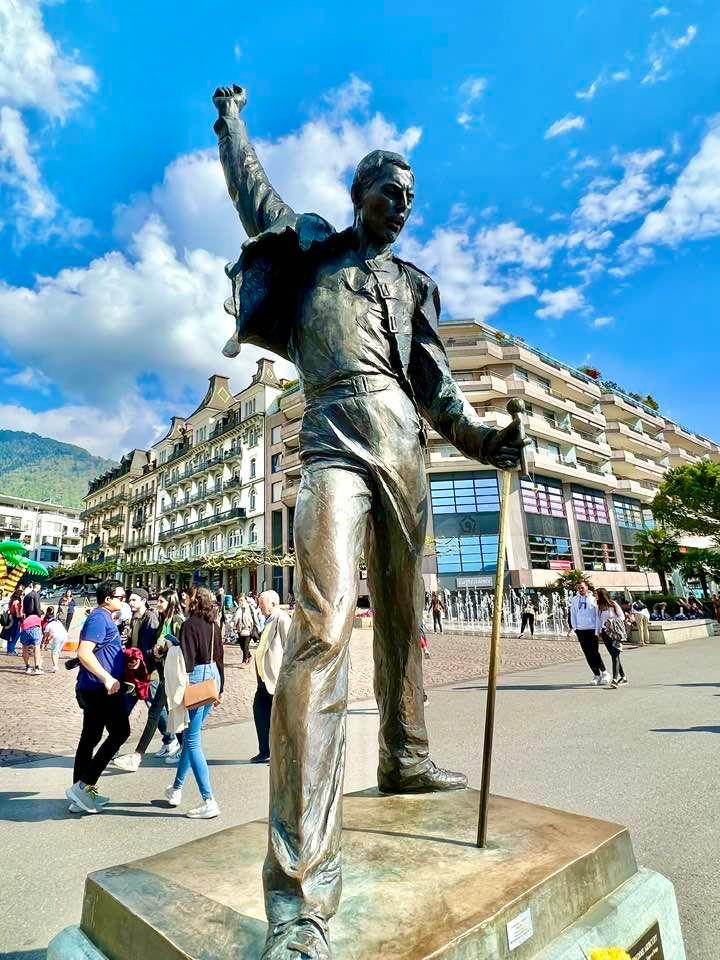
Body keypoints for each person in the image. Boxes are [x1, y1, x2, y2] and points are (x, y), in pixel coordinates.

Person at [213, 82, 528, 958]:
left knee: (405, 618)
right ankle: (302, 900)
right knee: (320, 634)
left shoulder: (416, 285)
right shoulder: (313, 250)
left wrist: (484, 440)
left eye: (414, 201)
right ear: (361, 193)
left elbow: (436, 386)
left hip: (405, 448)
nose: (405, 208)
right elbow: (253, 195)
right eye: (394, 194)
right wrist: (231, 124)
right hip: (330, 440)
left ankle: (405, 754)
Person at [65, 581, 131, 814]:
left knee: (91, 737)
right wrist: (107, 678)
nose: (123, 600)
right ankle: (82, 787)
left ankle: (80, 793)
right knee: (120, 732)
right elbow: (84, 652)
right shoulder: (99, 618)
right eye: (121, 597)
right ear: (108, 599)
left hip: (97, 688)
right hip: (99, 689)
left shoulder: (104, 618)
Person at [164, 587, 224, 819]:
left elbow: (187, 662)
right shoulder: (213, 624)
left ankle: (208, 799)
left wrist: (172, 648)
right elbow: (219, 657)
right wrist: (221, 689)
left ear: (195, 601)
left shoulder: (189, 625)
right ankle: (176, 788)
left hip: (197, 677)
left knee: (192, 740)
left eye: (188, 598)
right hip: (213, 678)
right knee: (192, 736)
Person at [112, 588, 165, 772]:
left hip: (148, 672)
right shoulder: (134, 619)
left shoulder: (151, 619)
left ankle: (172, 739)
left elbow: (151, 648)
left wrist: (140, 659)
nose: (130, 603)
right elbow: (133, 644)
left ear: (143, 601)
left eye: (134, 600)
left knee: (155, 708)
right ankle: (114, 744)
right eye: (130, 600)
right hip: (135, 671)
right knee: (126, 707)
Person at [250, 591, 290, 764]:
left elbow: (290, 646)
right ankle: (264, 750)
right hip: (264, 678)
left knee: (280, 718)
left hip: (276, 678)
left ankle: (282, 753)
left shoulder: (282, 619)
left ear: (273, 603)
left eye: (262, 603)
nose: (259, 607)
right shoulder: (268, 620)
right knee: (260, 711)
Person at [568, 581, 609, 686]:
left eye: (582, 587)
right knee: (587, 653)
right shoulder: (574, 600)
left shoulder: (594, 599)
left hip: (592, 629)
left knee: (594, 652)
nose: (580, 590)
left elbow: (597, 616)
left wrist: (597, 630)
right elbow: (573, 614)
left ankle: (604, 672)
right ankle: (596, 674)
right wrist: (575, 628)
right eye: (578, 588)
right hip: (580, 630)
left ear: (586, 587)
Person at [595, 589, 628, 688]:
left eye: (596, 594)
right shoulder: (599, 607)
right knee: (614, 655)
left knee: (615, 655)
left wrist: (611, 621)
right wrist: (598, 632)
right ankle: (623, 677)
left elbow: (622, 617)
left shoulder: (613, 604)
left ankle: (614, 679)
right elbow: (598, 620)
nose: (595, 596)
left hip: (615, 633)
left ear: (601, 595)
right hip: (605, 634)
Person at [42, 607, 68, 672]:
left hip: (57, 637)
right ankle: (56, 664)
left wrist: (44, 643)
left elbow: (46, 636)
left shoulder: (48, 626)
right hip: (65, 636)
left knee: (54, 652)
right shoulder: (58, 622)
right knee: (57, 651)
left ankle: (55, 666)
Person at [234, 592, 255, 666]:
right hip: (240, 630)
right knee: (242, 646)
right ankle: (249, 656)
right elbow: (235, 619)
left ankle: (244, 661)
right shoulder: (238, 609)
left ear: (245, 600)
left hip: (248, 630)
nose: (240, 602)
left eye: (242, 600)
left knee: (246, 646)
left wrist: (257, 628)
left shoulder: (250, 608)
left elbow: (255, 618)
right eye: (239, 600)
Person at [5, 587, 23, 655]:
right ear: (19, 595)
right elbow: (18, 614)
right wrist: (22, 617)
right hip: (15, 619)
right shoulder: (17, 602)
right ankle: (11, 650)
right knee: (16, 635)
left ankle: (9, 649)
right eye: (22, 594)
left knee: (10, 634)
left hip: (10, 618)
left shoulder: (11, 600)